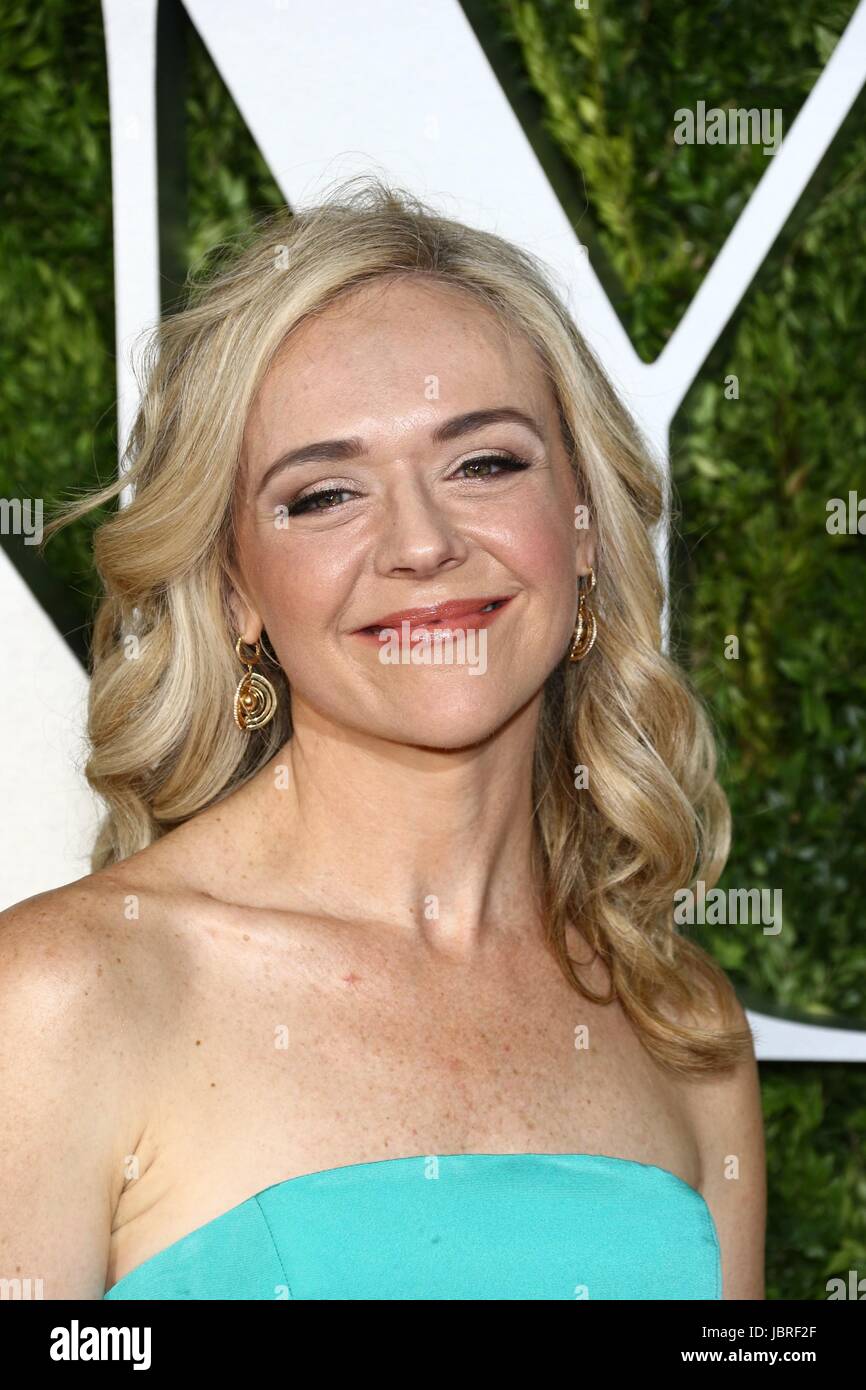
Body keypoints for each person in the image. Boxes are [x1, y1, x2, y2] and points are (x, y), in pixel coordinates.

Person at [0, 176, 765, 1300]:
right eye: (321, 495)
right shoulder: (66, 997)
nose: (418, 542)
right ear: (234, 594)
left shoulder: (679, 1024)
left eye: (483, 463)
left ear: (585, 526)